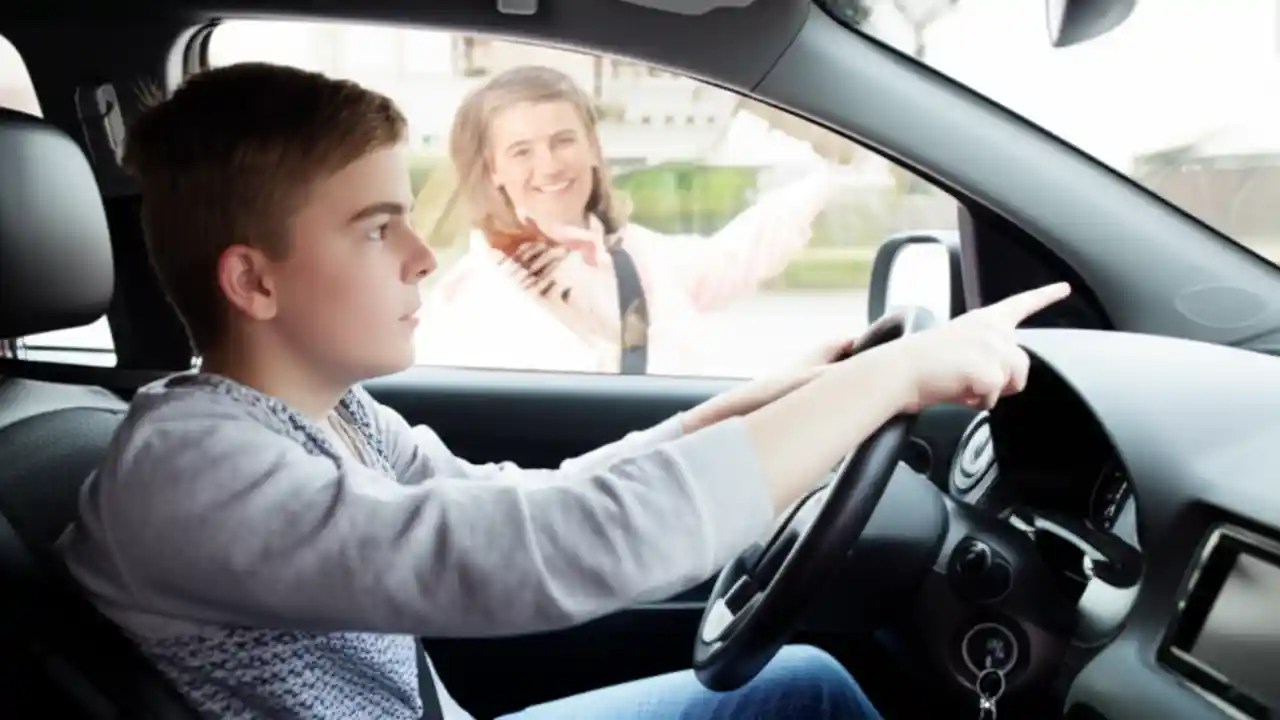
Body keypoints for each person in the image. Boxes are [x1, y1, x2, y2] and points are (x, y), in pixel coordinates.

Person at [55, 62, 1069, 720]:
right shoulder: (190, 469)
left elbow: (526, 499)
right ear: (253, 281)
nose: (419, 255)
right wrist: (890, 380)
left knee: (800, 686)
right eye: (375, 228)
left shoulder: (331, 418)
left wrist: (782, 397)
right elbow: (538, 557)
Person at [419, 65, 847, 376]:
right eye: (522, 151)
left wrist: (826, 175)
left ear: (591, 148)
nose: (548, 166)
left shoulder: (637, 254)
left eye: (563, 141)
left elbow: (734, 256)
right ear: (493, 170)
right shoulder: (476, 297)